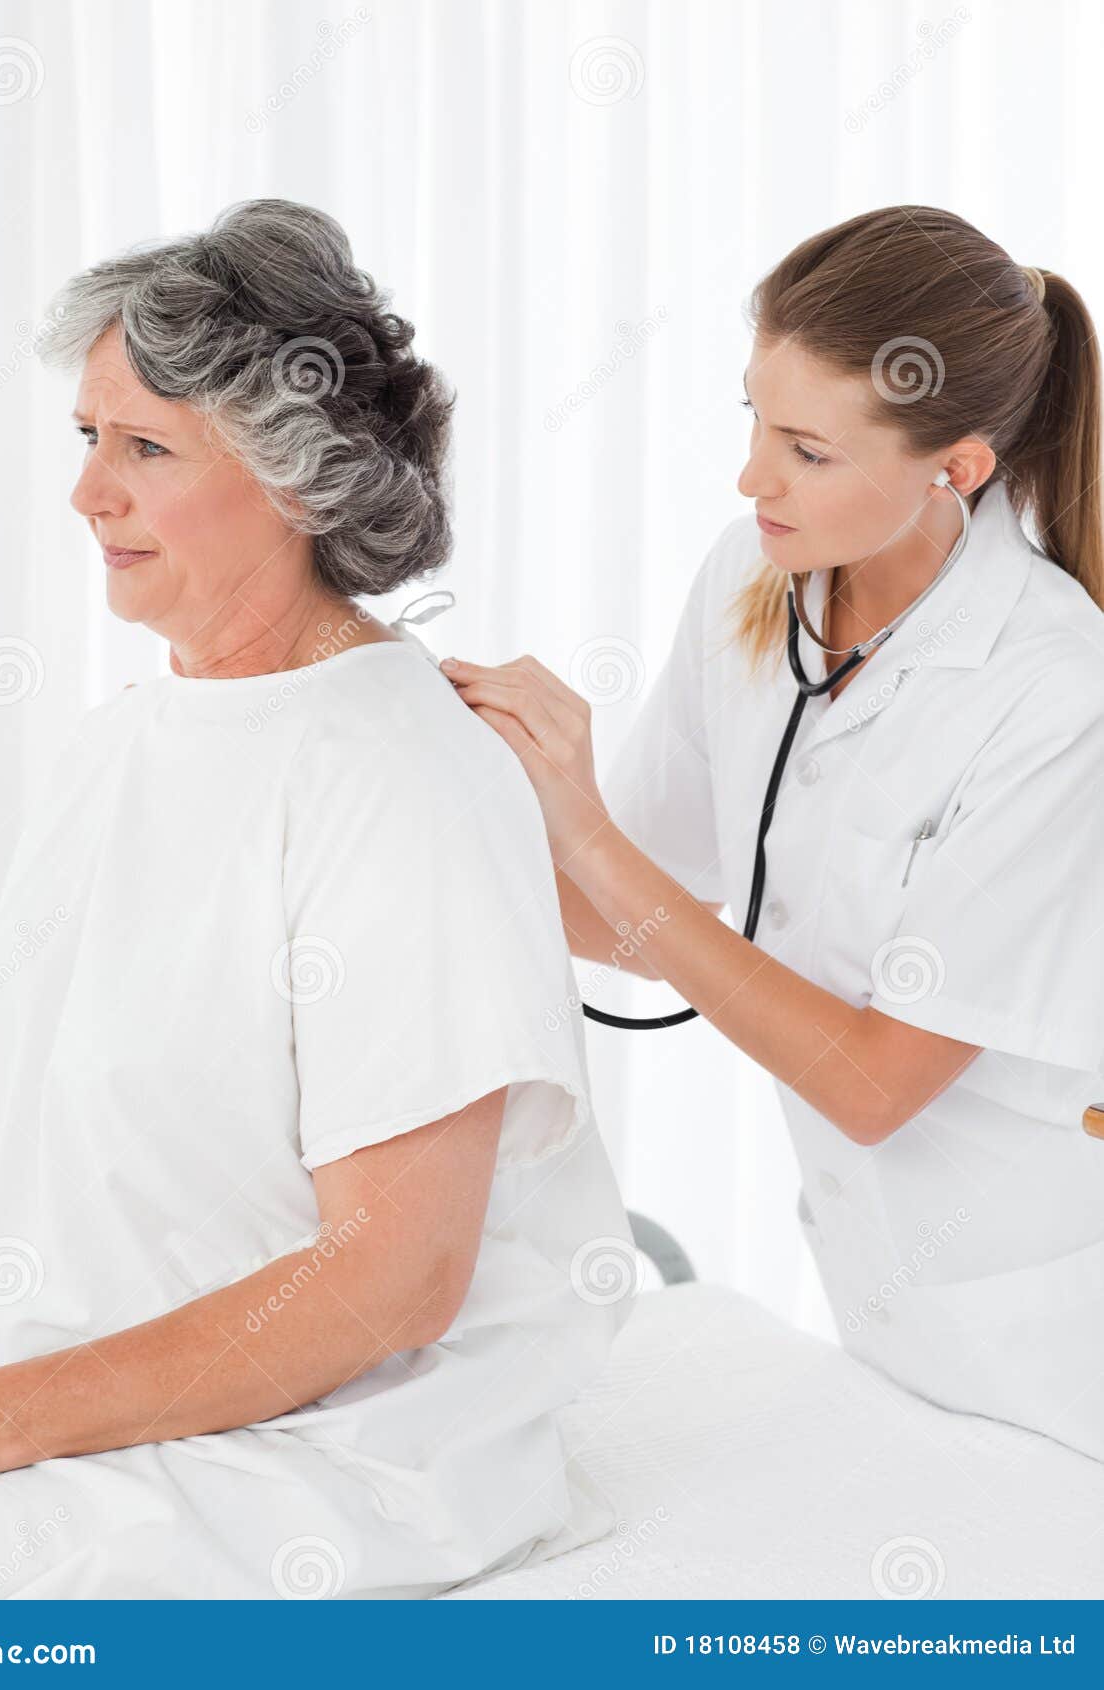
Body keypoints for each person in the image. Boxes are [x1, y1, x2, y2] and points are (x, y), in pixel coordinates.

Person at [0, 199, 634, 1598]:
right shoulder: (122, 742)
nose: (87, 492)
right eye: (88, 438)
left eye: (145, 447)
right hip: (91, 1408)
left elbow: (395, 1276)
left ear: (299, 479)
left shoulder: (399, 775)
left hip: (324, 1454)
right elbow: (13, 1117)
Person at [441, 205, 1104, 1463]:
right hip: (888, 1315)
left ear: (952, 468)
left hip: (1055, 1331)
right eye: (752, 415)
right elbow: (647, 921)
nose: (751, 475)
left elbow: (869, 1083)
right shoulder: (749, 586)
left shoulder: (1055, 695)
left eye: (805, 447)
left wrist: (580, 827)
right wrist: (440, 805)